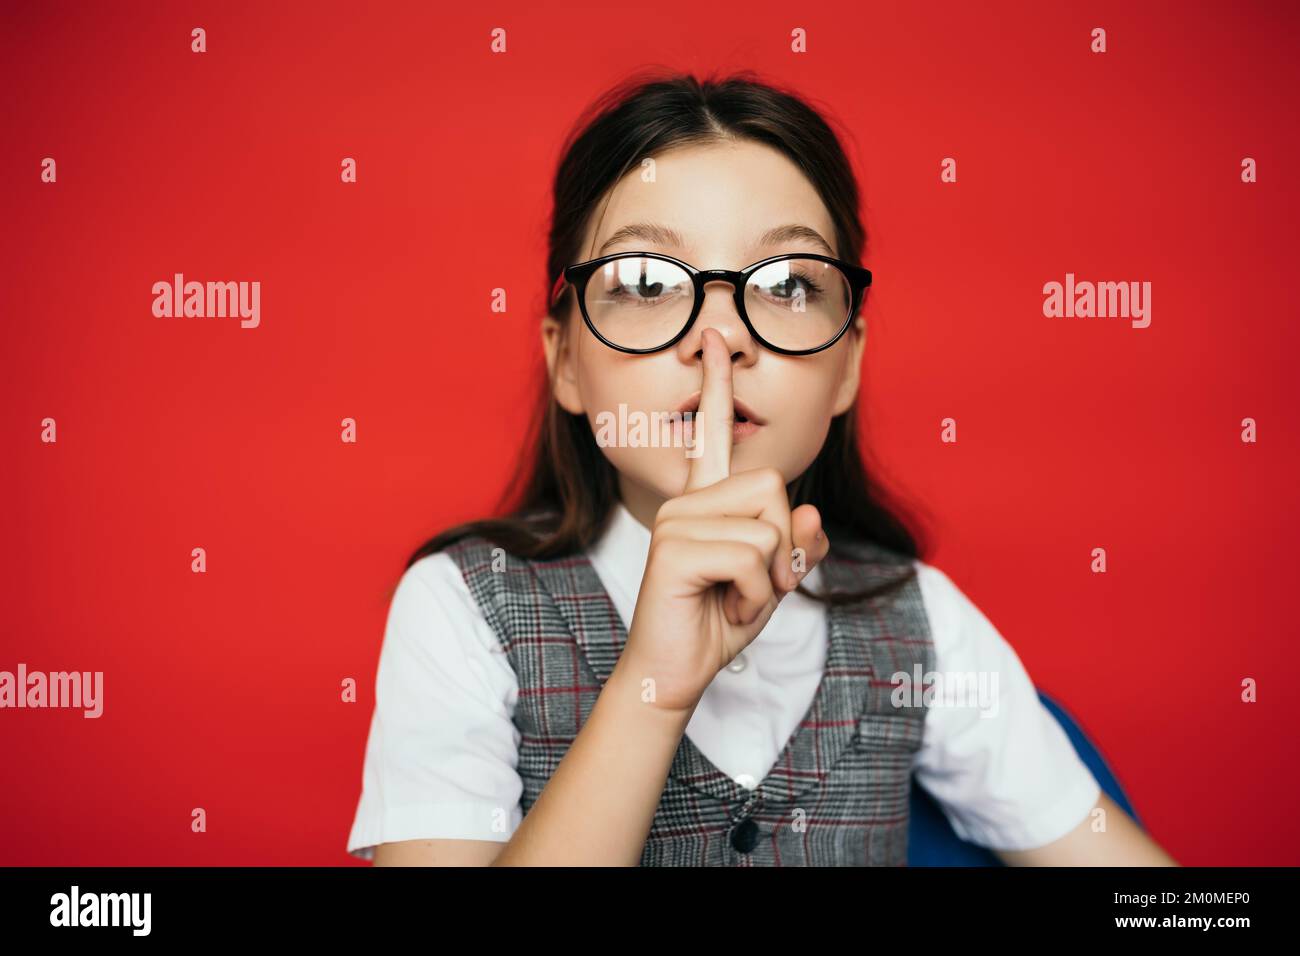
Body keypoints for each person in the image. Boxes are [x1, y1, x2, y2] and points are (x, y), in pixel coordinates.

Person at [346, 70, 1177, 866]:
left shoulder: (917, 619)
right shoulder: (461, 608)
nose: (721, 337)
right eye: (644, 280)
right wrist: (654, 689)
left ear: (846, 365)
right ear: (566, 362)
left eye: (784, 284)